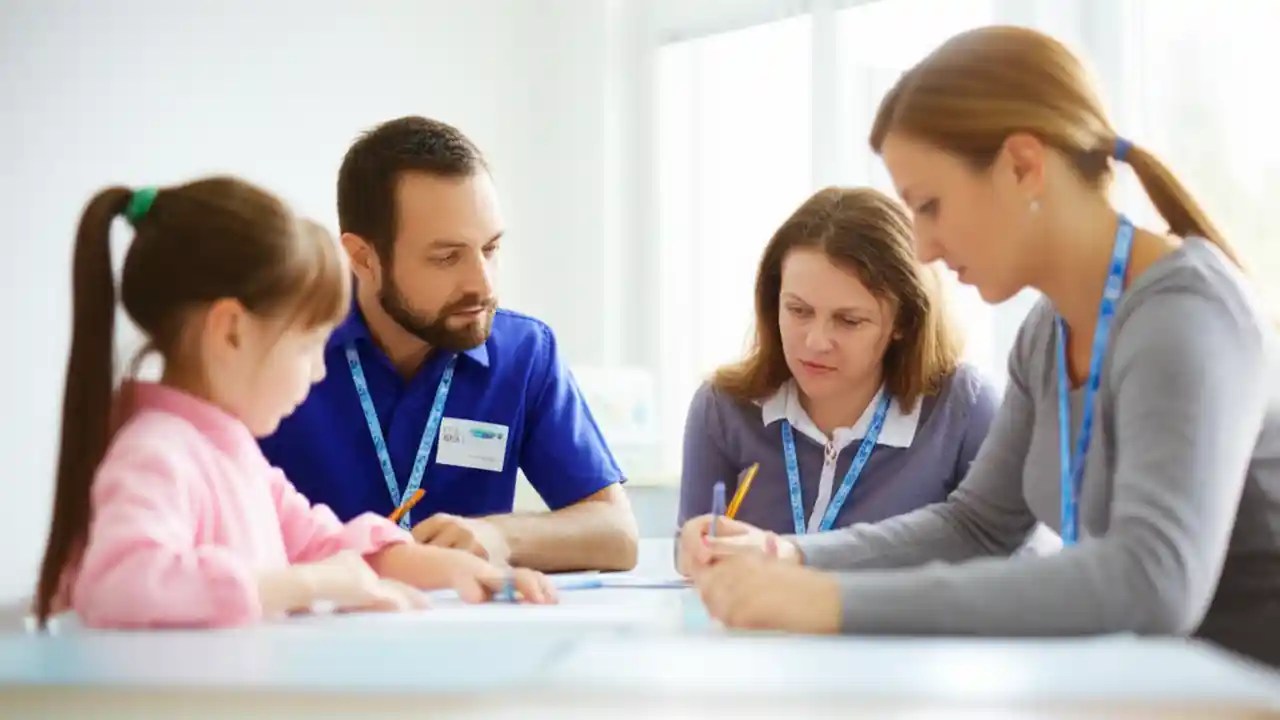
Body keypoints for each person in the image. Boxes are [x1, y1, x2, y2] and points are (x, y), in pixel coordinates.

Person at [681, 25, 1280, 667]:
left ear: (1023, 166)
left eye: (930, 206)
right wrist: (787, 555)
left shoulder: (1184, 314)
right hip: (1153, 685)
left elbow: (1152, 580)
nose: (922, 248)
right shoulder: (1048, 332)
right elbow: (978, 525)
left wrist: (831, 602)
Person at [34, 178, 554, 629]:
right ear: (231, 330)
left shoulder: (232, 451)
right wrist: (305, 584)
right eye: (308, 346)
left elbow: (328, 544)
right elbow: (121, 584)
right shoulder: (156, 452)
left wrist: (467, 572)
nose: (319, 369)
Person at [259, 117, 638, 572]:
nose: (481, 284)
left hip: (467, 629)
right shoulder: (277, 352)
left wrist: (498, 535)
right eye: (446, 257)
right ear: (363, 258)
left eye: (491, 249)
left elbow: (617, 535)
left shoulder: (523, 352)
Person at [676, 187, 997, 566]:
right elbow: (687, 550)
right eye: (798, 310)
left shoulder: (963, 408)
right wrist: (693, 553)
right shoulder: (722, 408)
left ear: (903, 322)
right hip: (761, 625)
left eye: (848, 321)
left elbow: (1012, 552)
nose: (815, 341)